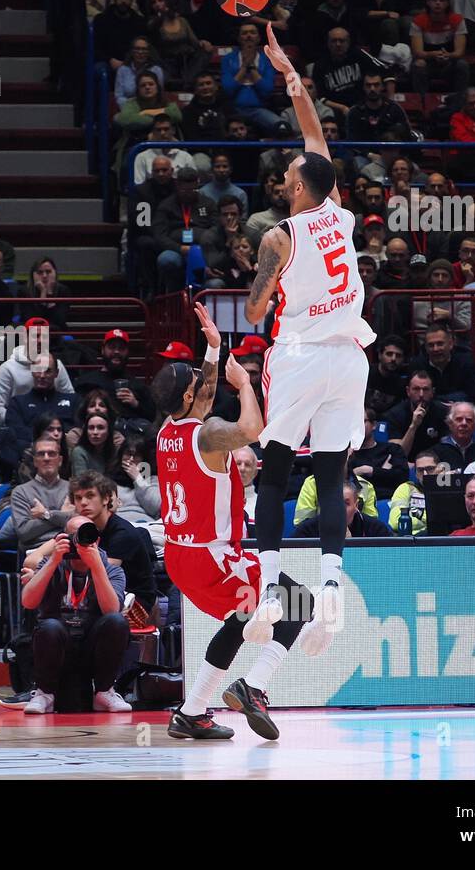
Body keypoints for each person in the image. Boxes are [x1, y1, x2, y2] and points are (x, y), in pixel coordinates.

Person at [241, 22, 375, 652]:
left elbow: (254, 310)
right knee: (328, 473)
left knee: (272, 470)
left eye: (289, 173)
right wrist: (287, 70)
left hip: (300, 356)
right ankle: (330, 592)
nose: (287, 171)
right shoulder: (338, 211)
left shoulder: (279, 236)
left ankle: (269, 590)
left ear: (295, 189)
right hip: (351, 359)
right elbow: (314, 135)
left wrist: (263, 278)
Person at [151, 305, 312, 741]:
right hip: (213, 556)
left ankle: (192, 711)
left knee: (240, 622)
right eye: (197, 382)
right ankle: (254, 687)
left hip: (180, 556)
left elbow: (198, 392)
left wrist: (214, 348)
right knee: (300, 603)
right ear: (190, 397)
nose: (204, 384)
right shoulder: (208, 434)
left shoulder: (169, 430)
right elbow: (253, 428)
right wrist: (244, 385)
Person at [19, 515, 130, 714]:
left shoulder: (110, 569)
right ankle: (44, 693)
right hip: (58, 645)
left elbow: (112, 610)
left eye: (85, 535)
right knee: (49, 626)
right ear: (62, 538)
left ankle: (105, 691)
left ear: (96, 540)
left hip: (92, 646)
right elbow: (28, 602)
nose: (78, 541)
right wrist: (53, 561)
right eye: (73, 536)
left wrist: (96, 566)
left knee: (117, 621)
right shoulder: (52, 563)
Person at [294, 481, 392, 539]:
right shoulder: (307, 531)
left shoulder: (377, 530)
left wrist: (350, 545)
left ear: (356, 505)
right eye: (334, 502)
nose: (339, 509)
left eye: (346, 503)